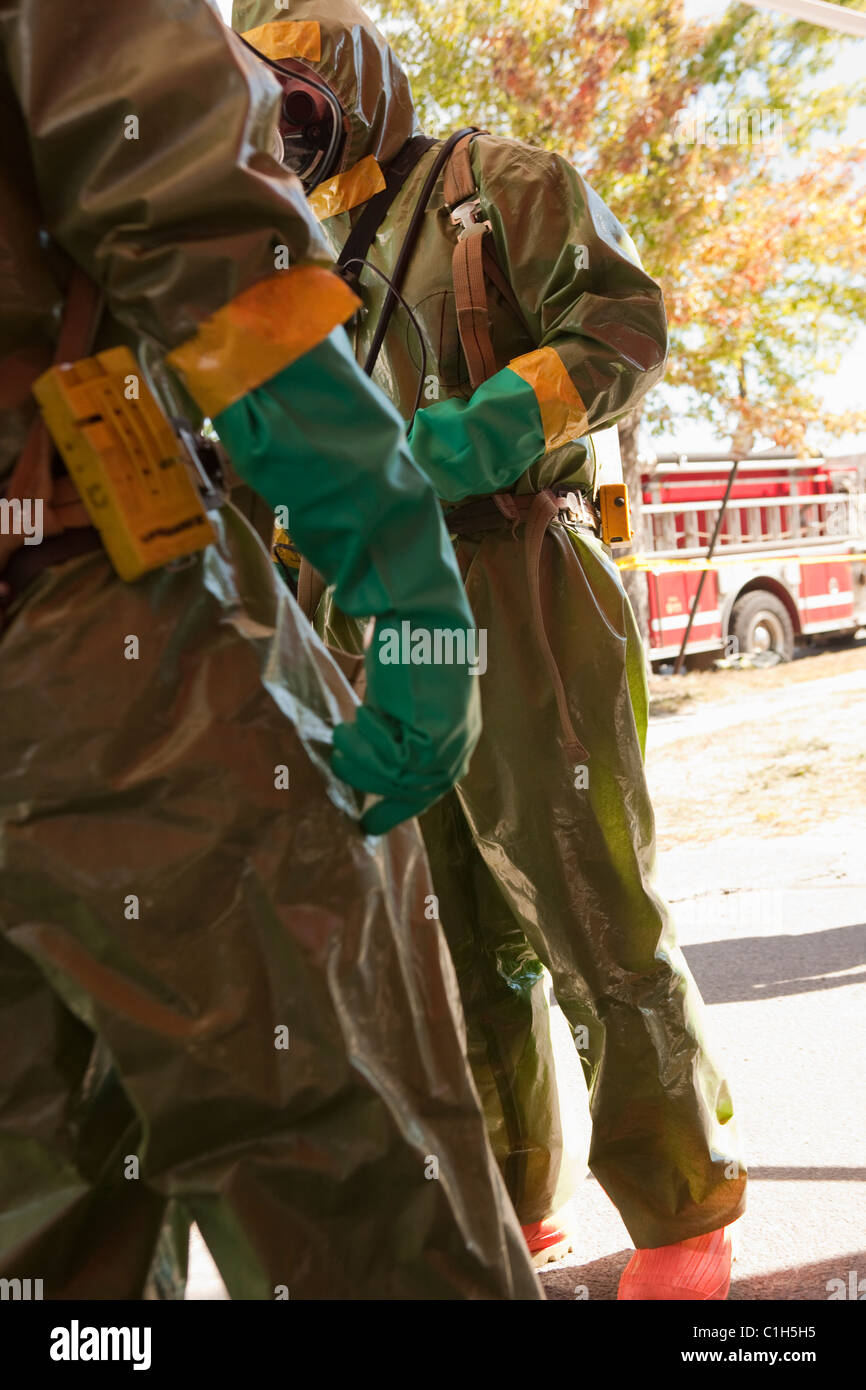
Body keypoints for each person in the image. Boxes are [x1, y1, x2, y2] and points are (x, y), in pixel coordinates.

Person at [0, 0, 540, 1300]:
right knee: (356, 1177)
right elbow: (196, 222)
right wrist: (395, 554)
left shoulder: (503, 190)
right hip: (94, 634)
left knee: (40, 1225)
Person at [234, 0, 748, 1297]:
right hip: (377, 614)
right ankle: (523, 1201)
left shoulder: (493, 187)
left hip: (512, 567)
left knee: (584, 894)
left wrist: (473, 432)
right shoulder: (288, 259)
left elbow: (624, 327)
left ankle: (685, 1212)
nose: (282, 114)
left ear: (351, 67)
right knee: (449, 923)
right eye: (255, 93)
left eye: (297, 79)